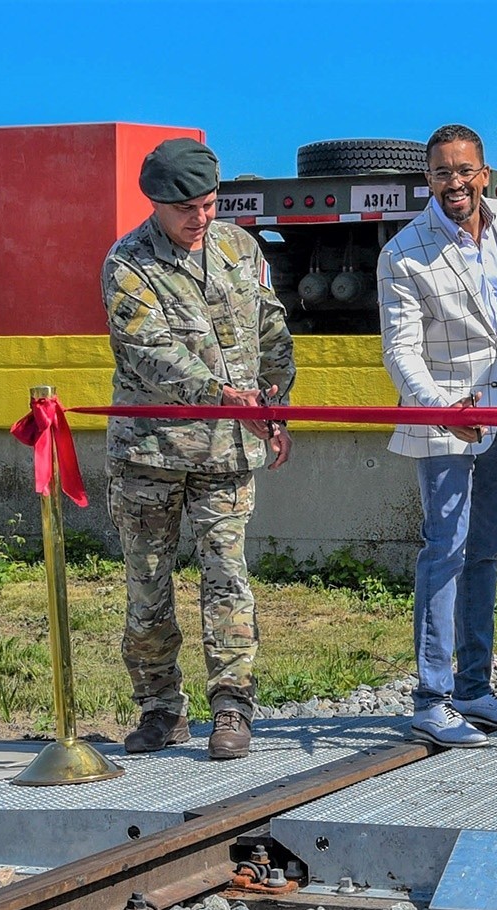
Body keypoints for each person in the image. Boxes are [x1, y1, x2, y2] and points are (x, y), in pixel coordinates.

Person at [102, 137, 295, 760]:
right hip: (150, 454)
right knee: (148, 584)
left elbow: (272, 329)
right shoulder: (128, 263)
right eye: (187, 208)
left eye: (210, 205)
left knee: (227, 578)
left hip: (229, 451)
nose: (201, 218)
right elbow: (150, 354)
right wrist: (222, 392)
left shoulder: (241, 248)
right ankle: (159, 709)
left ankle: (233, 706)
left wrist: (273, 408)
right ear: (155, 202)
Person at [378, 124, 497, 748]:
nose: (456, 183)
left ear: (484, 172)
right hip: (445, 419)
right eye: (442, 172)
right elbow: (400, 351)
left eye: (465, 170)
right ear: (428, 179)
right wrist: (440, 406)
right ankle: (431, 697)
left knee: (485, 551)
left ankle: (474, 688)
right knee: (444, 549)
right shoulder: (403, 252)